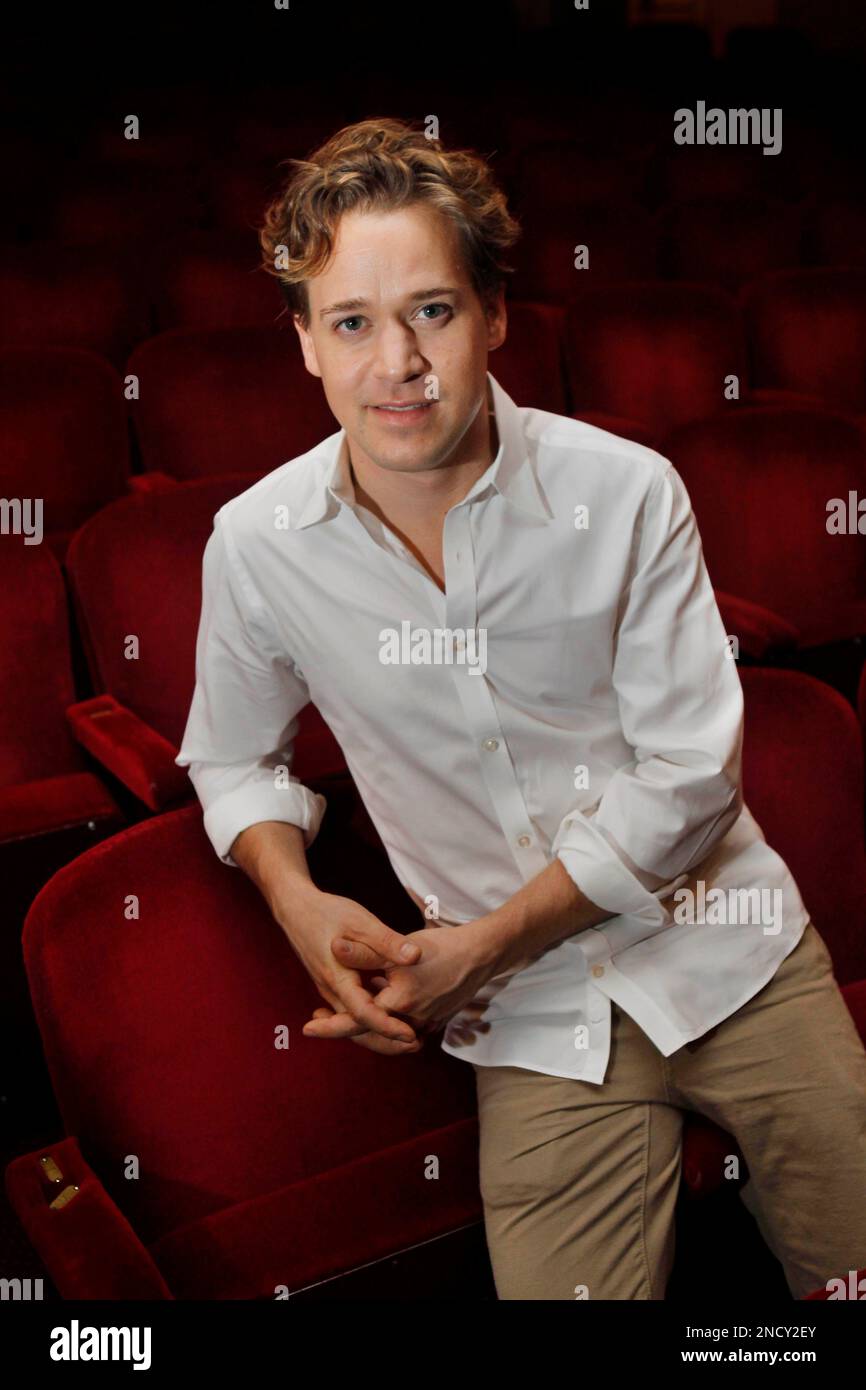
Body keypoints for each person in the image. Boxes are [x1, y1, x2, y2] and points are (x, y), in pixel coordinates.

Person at [175, 117, 866, 1300]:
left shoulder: (627, 490)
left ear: (494, 315)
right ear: (303, 344)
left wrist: (480, 946)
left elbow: (689, 778)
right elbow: (233, 759)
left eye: (431, 311)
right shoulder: (255, 544)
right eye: (351, 322)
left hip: (724, 956)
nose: (396, 361)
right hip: (533, 1022)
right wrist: (293, 897)